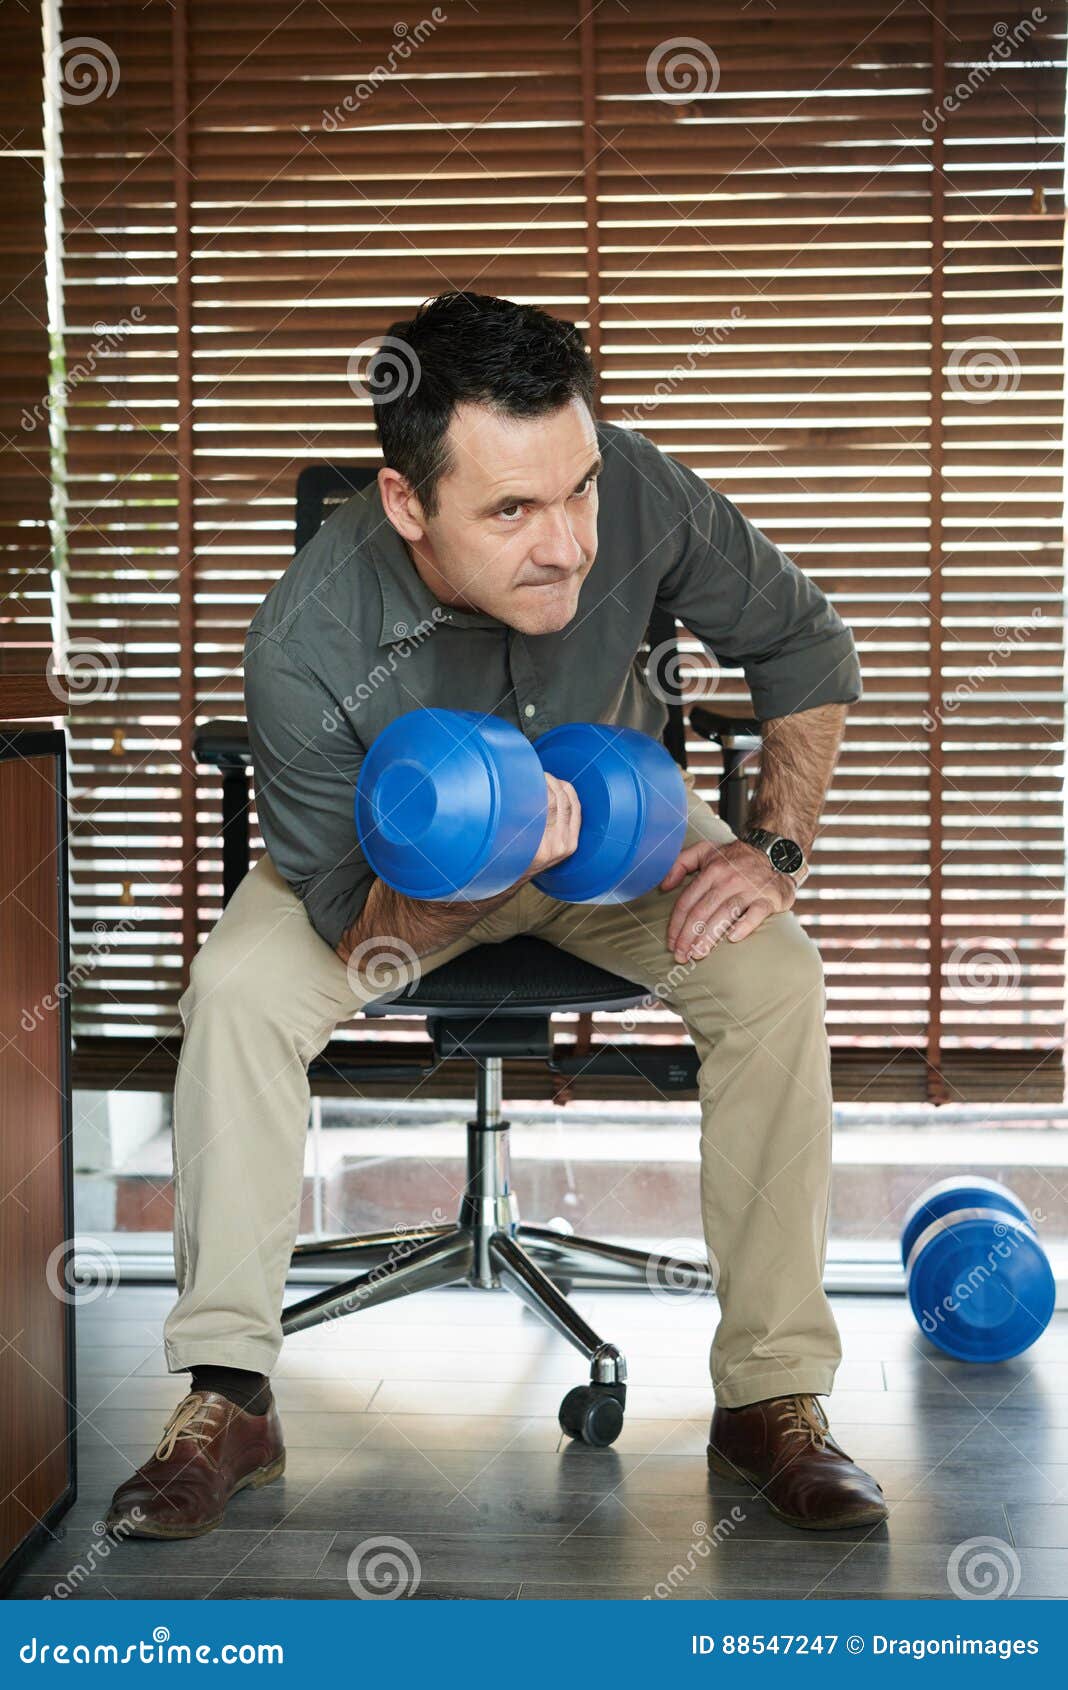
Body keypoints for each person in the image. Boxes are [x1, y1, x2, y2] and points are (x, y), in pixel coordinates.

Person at [107, 290, 886, 1541]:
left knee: (774, 978)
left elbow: (805, 639)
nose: (568, 542)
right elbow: (348, 917)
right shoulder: (307, 640)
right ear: (410, 503)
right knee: (242, 994)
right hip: (397, 871)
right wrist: (473, 859)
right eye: (511, 509)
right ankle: (229, 1392)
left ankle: (770, 1396)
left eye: (575, 489)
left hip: (618, 836)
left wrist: (774, 847)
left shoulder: (634, 487)